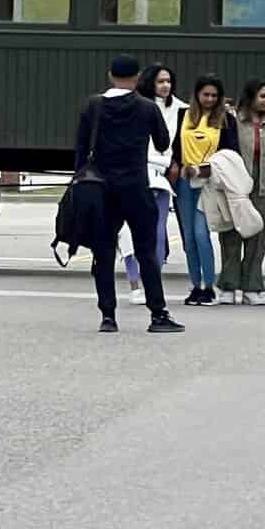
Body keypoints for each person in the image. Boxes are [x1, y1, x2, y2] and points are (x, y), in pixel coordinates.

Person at [73, 55, 180, 334]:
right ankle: (158, 314)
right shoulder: (146, 108)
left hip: (102, 189)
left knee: (104, 252)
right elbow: (162, 142)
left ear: (110, 75)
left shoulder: (93, 105)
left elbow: (81, 149)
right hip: (136, 187)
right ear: (138, 77)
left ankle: (108, 316)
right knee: (146, 252)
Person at [218, 80, 265, 304]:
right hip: (236, 186)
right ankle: (228, 285)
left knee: (257, 238)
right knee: (231, 236)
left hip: (262, 188)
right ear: (251, 97)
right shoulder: (232, 121)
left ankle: (251, 287)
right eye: (262, 96)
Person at [123, 65, 180, 299]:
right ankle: (134, 284)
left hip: (161, 175)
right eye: (160, 81)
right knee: (127, 231)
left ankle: (151, 284)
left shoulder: (180, 109)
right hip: (135, 172)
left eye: (168, 81)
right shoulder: (134, 106)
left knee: (156, 232)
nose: (165, 85)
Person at [173, 75, 228, 307]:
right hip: (185, 182)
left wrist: (204, 169)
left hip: (209, 182)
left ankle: (209, 285)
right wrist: (179, 165)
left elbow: (229, 153)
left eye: (214, 96)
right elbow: (174, 144)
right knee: (188, 238)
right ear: (196, 94)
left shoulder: (225, 120)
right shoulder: (182, 115)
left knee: (201, 234)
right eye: (205, 94)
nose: (209, 99)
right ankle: (195, 285)